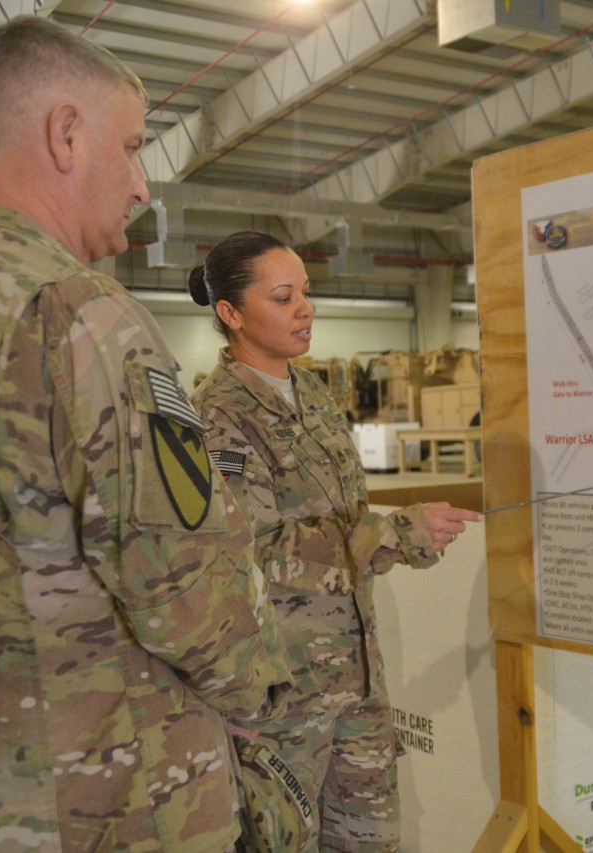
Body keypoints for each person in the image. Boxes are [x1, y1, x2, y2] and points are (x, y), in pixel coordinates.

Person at [0, 17, 292, 852]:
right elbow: (182, 575)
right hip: (114, 806)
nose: (139, 184)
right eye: (129, 147)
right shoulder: (80, 316)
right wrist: (264, 696)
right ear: (66, 133)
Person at [187, 231, 482, 851]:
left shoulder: (314, 395)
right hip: (283, 701)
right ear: (230, 314)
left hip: (359, 686)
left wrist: (397, 534)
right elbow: (253, 552)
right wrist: (397, 531)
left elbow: (345, 517)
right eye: (284, 296)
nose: (306, 309)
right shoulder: (217, 418)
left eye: (307, 294)